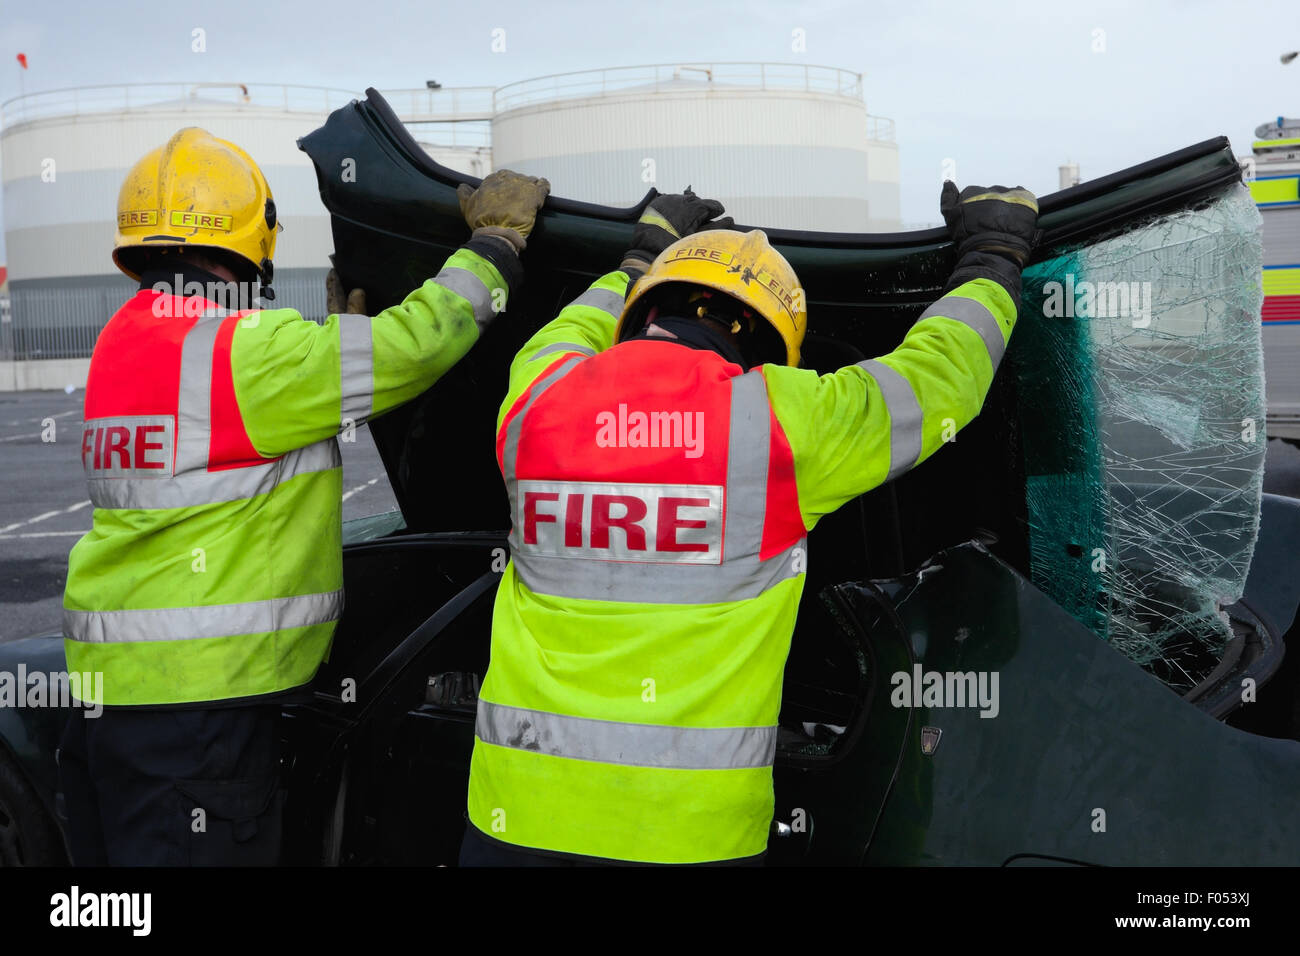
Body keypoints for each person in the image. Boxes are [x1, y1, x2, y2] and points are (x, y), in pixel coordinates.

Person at [459, 182, 1039, 865]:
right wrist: (993, 260)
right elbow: (940, 377)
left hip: (513, 821)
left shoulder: (538, 392)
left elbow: (574, 327)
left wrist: (638, 256)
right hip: (693, 838)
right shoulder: (784, 424)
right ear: (768, 342)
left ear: (646, 309)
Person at [57, 125, 549, 865]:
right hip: (200, 711)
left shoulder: (123, 344)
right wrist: (496, 248)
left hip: (115, 697)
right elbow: (415, 345)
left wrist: (339, 343)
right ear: (254, 236)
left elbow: (241, 424)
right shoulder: (244, 350)